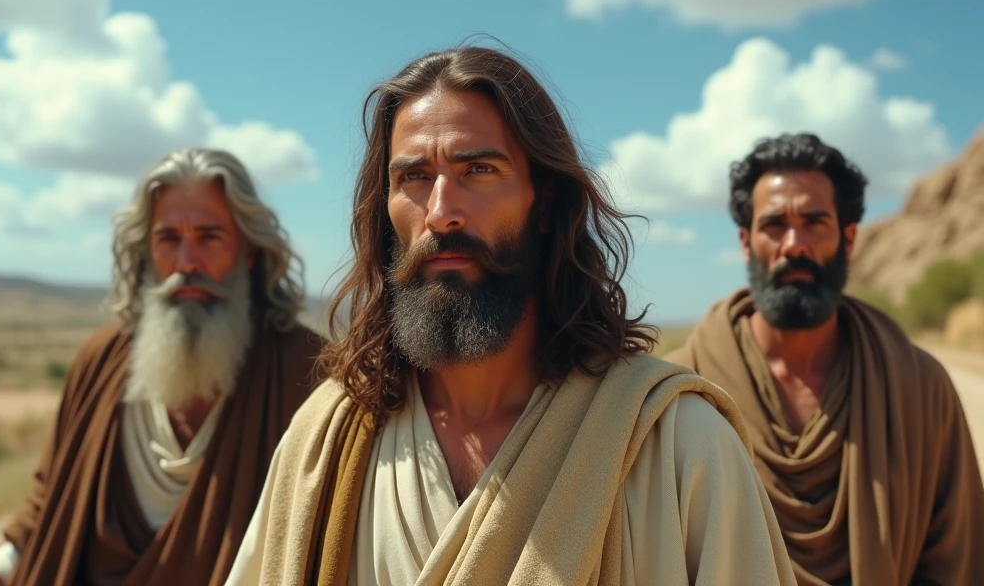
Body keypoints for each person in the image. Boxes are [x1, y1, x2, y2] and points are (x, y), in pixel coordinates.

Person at [225, 46, 796, 585]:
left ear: (544, 202)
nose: (442, 214)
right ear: (387, 210)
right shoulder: (324, 443)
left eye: (478, 171)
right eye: (414, 178)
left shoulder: (676, 443)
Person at [0, 148, 327, 586]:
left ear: (249, 251)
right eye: (169, 239)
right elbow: (51, 495)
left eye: (209, 237)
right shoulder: (100, 361)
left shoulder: (308, 372)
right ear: (146, 250)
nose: (186, 264)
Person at [665, 133, 984, 585]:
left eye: (815, 221)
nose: (794, 244)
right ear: (744, 240)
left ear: (848, 237)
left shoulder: (920, 386)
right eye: (774, 224)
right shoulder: (683, 390)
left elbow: (957, 561)